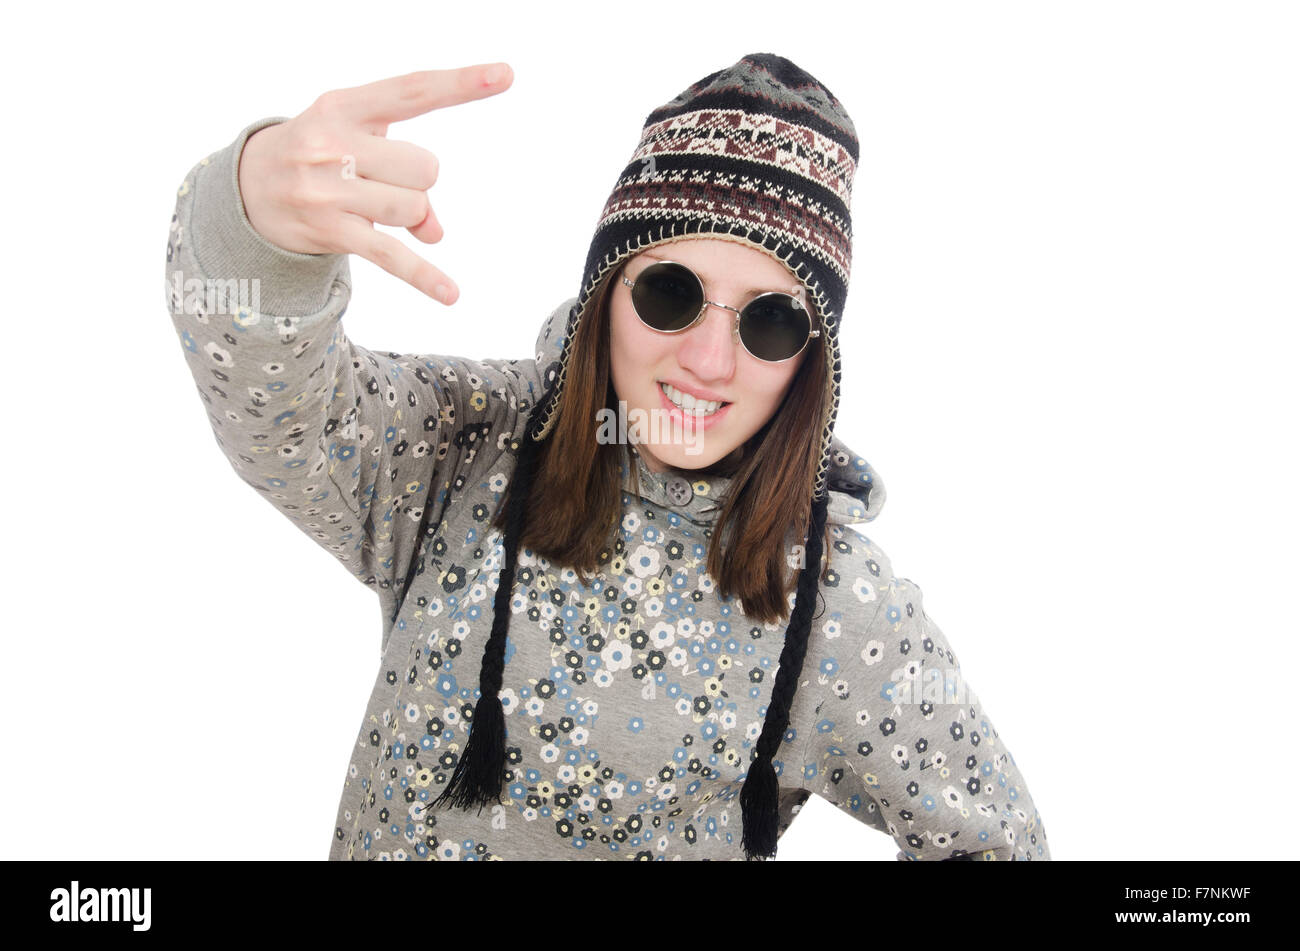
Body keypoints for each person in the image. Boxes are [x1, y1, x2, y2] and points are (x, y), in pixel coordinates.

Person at [163, 52, 1051, 861]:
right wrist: (257, 231)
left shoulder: (833, 600)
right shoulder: (469, 447)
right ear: (604, 290)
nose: (708, 361)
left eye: (771, 318)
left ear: (812, 357)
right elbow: (283, 416)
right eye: (670, 292)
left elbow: (995, 841)